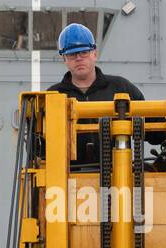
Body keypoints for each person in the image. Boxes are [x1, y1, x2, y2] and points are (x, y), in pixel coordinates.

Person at [48, 23, 148, 165]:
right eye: (72, 54)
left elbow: (153, 127)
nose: (78, 58)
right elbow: (38, 146)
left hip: (119, 177)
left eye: (84, 52)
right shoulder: (53, 96)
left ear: (95, 54)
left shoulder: (121, 88)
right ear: (64, 59)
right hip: (68, 178)